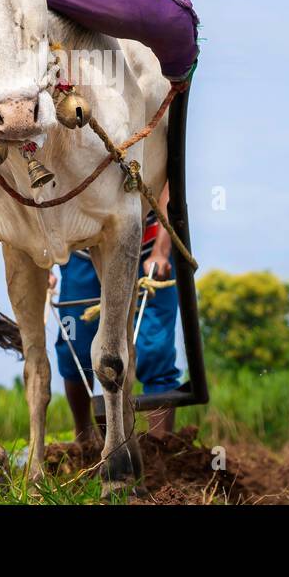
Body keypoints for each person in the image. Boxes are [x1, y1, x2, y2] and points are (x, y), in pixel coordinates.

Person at [52, 183, 180, 445]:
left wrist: (161, 251)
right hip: (83, 253)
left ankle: (162, 451)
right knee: (74, 348)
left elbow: (171, 182)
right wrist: (43, 262)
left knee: (155, 349)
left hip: (147, 251)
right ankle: (86, 443)